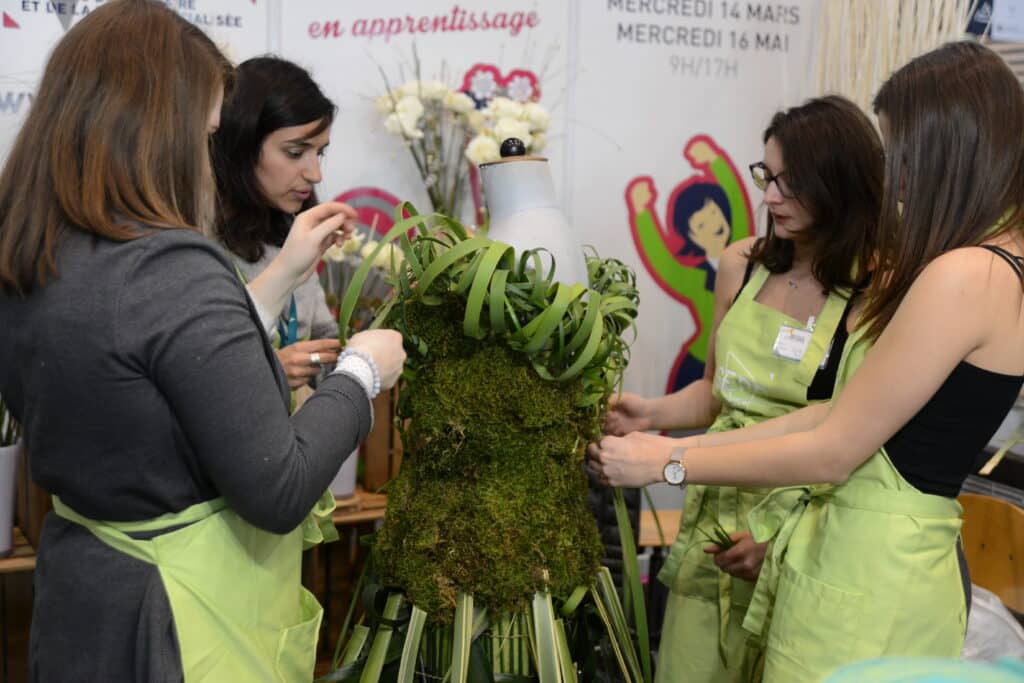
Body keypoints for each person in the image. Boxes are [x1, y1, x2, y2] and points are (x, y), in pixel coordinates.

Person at [591, 41, 1024, 682]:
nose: (895, 181)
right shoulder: (1001, 267)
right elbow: (835, 415)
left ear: (947, 151)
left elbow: (832, 446)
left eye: (901, 155)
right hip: (876, 567)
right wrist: (669, 446)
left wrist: (671, 461)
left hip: (870, 577)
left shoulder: (964, 274)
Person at [0, 2, 406, 680]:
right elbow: (278, 488)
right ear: (159, 130)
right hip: (175, 622)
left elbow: (150, 360)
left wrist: (276, 282)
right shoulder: (172, 267)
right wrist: (362, 373)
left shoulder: (31, 253)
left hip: (80, 595)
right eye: (205, 131)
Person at [608, 96, 882, 683]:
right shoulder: (743, 264)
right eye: (766, 176)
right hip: (712, 523)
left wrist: (776, 545)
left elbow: (851, 440)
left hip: (800, 533)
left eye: (790, 182)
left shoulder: (873, 289)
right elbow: (718, 392)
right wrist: (648, 413)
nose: (769, 197)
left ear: (841, 183)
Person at [212, 56, 342, 394]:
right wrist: (269, 375)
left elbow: (326, 353)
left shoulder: (290, 231)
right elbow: (202, 377)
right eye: (296, 152)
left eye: (320, 153)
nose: (315, 174)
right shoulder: (194, 250)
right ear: (242, 146)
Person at [626, 137, 754, 392]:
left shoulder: (743, 250)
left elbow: (737, 201)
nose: (713, 224)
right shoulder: (695, 279)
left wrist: (714, 161)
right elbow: (661, 260)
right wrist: (642, 213)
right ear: (690, 237)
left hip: (748, 363)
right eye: (701, 225)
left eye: (714, 213)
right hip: (700, 364)